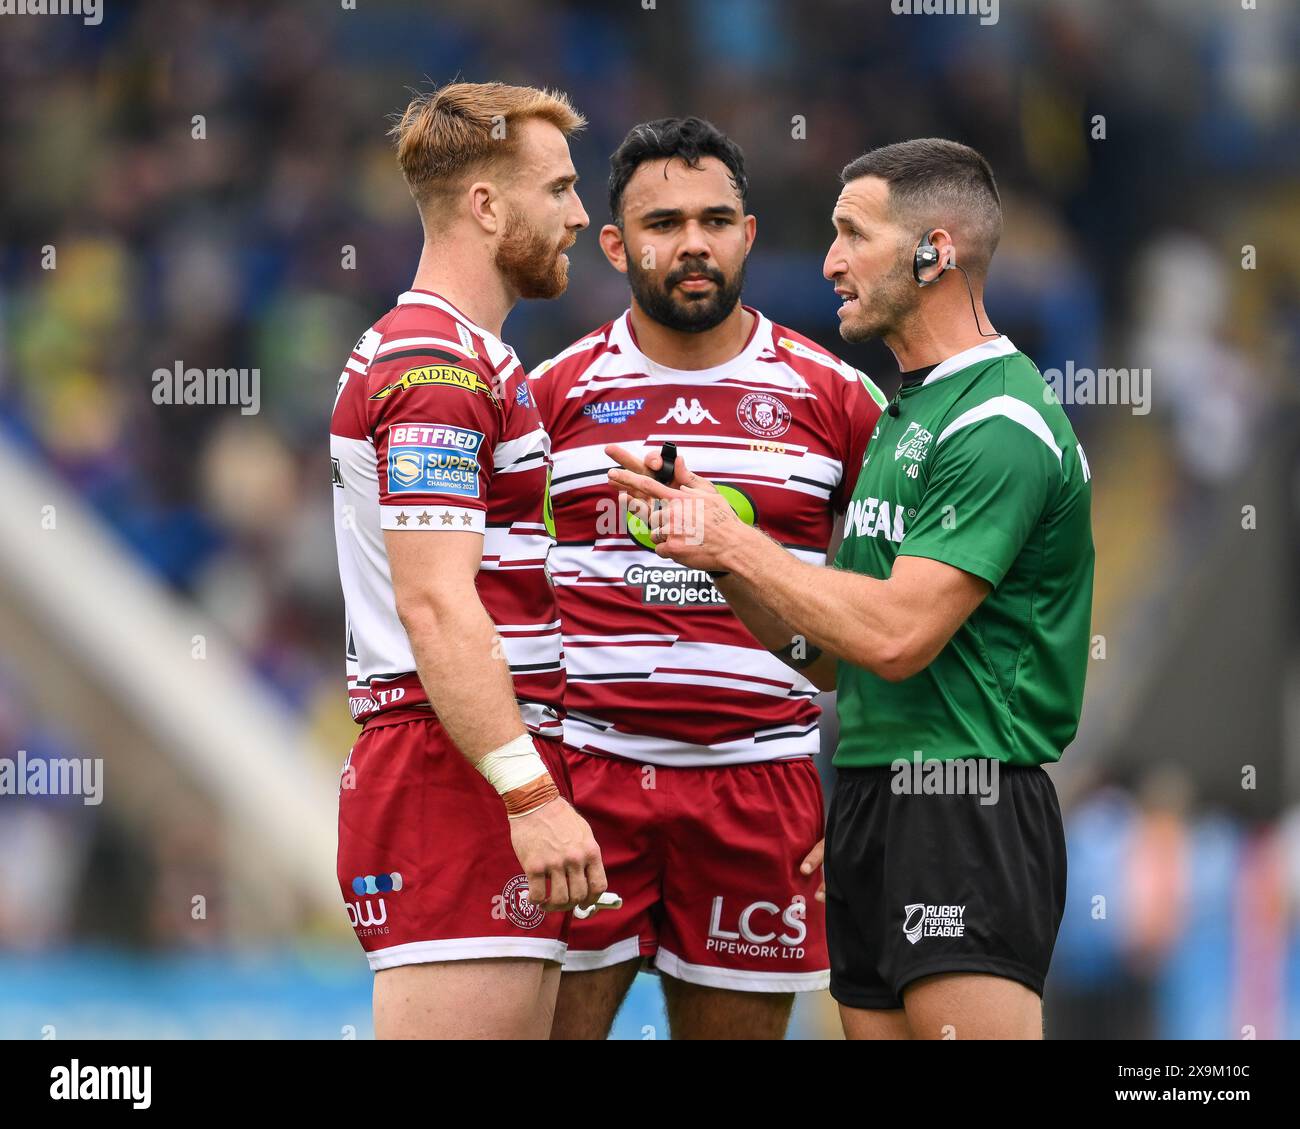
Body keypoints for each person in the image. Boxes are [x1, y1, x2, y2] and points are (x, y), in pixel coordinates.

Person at [609, 138, 1094, 1040]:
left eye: (852, 235)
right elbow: (833, 662)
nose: (828, 261)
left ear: (934, 252)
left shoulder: (1000, 420)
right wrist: (715, 553)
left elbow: (898, 636)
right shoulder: (903, 416)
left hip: (969, 800)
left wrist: (738, 543)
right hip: (877, 800)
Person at [530, 117, 885, 1039]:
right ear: (614, 244)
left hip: (761, 787)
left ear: (749, 233)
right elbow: (493, 601)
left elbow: (898, 614)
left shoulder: (838, 398)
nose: (693, 242)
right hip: (588, 783)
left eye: (716, 219)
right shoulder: (548, 396)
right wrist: (522, 792)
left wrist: (855, 793)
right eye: (663, 223)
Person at [330, 81, 607, 1039]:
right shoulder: (435, 364)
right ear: (485, 205)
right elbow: (438, 605)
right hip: (451, 766)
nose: (581, 214)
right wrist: (528, 792)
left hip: (473, 758)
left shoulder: (468, 356)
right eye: (560, 188)